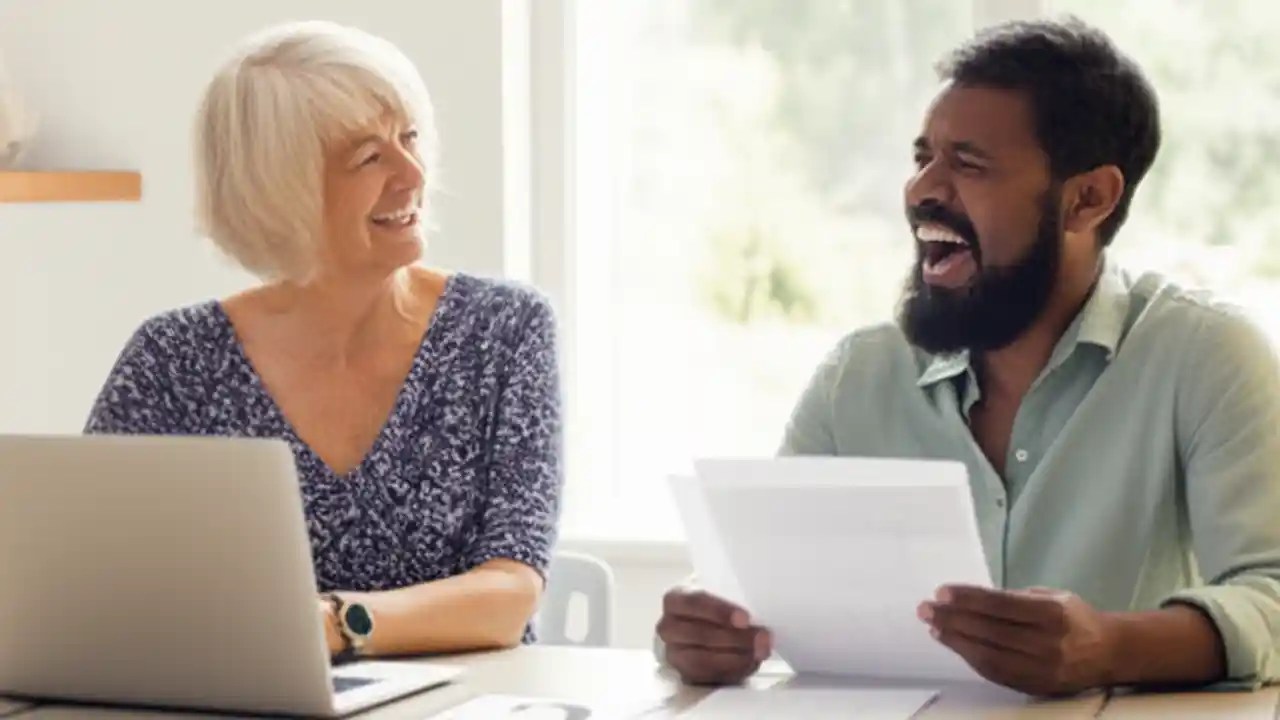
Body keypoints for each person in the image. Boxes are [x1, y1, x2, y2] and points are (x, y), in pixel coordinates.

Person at [656, 17, 1280, 696]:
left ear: (1088, 199)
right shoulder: (857, 376)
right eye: (923, 157)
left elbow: (1272, 595)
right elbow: (755, 577)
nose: (922, 188)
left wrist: (1108, 647)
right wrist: (698, 629)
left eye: (968, 164)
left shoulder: (1205, 357)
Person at [84, 21, 562, 660]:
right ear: (279, 192)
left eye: (409, 138)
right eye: (370, 157)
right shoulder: (172, 360)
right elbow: (88, 583)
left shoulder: (503, 330)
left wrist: (335, 624)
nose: (413, 173)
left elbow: (510, 592)